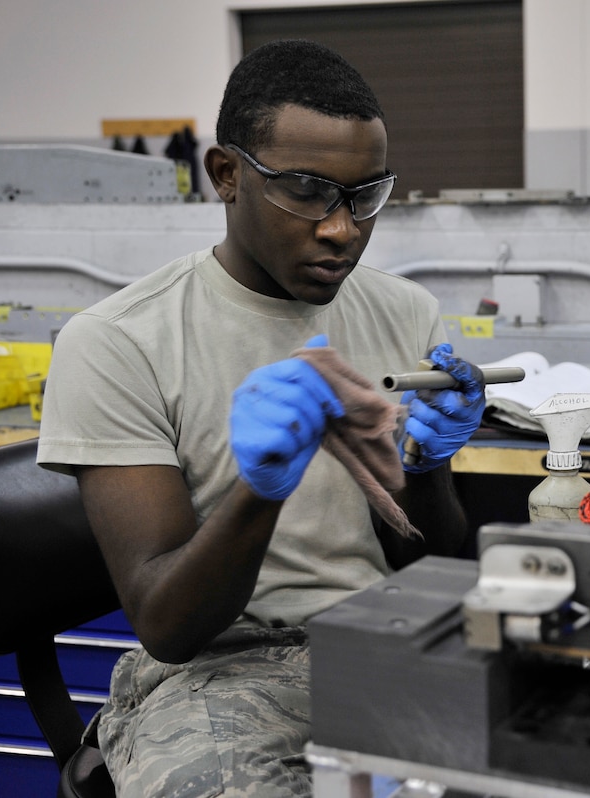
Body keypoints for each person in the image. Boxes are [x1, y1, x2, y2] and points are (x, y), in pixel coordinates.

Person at [37, 39, 484, 796]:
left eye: (365, 195)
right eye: (308, 191)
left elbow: (434, 570)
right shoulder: (117, 341)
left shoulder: (406, 310)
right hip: (219, 670)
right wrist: (261, 488)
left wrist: (425, 466)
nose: (342, 228)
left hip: (384, 640)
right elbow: (171, 628)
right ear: (227, 175)